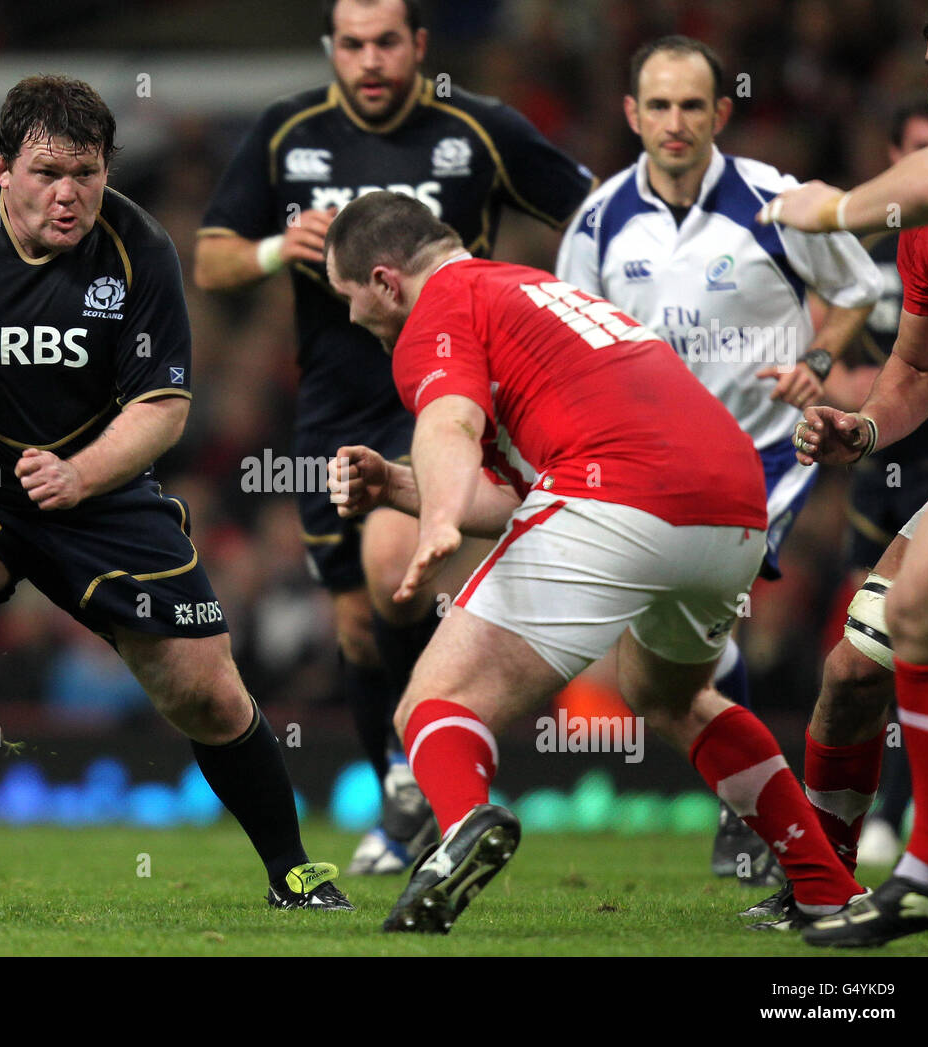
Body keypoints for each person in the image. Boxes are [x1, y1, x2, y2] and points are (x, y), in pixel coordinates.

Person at [0, 74, 352, 911]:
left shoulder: (141, 249)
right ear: (2, 168)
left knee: (203, 691)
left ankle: (290, 868)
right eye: (46, 172)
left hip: (98, 490)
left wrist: (81, 473)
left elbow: (163, 407)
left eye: (88, 172)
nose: (69, 195)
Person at [322, 189, 868, 934]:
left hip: (619, 490)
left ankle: (464, 828)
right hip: (734, 507)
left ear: (386, 281)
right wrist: (397, 486)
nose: (355, 321)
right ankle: (827, 887)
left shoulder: (438, 310)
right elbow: (518, 488)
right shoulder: (532, 292)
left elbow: (449, 420)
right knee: (671, 694)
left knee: (432, 700)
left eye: (351, 300)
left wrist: (440, 519)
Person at [194, 0, 594, 874]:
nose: (370, 61)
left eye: (387, 43)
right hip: (330, 410)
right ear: (330, 49)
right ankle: (399, 796)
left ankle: (429, 763)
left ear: (419, 46)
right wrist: (272, 251)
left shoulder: (480, 132)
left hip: (440, 391)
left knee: (391, 575)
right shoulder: (286, 133)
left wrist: (573, 315)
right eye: (353, 45)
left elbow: (593, 211)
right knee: (355, 622)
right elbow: (210, 256)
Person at [555, 34, 881, 887]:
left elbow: (858, 288)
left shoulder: (775, 199)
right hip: (650, 465)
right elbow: (573, 345)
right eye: (657, 106)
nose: (674, 122)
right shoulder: (596, 222)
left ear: (720, 112)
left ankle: (758, 822)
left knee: (704, 613)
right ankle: (763, 810)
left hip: (764, 455)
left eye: (692, 106)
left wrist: (813, 364)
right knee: (662, 662)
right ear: (631, 113)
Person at [761, 2, 928, 948]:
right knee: (864, 652)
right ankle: (834, 877)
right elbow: (917, 370)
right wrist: (862, 429)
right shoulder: (926, 232)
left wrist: (828, 207)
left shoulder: (925, 192)